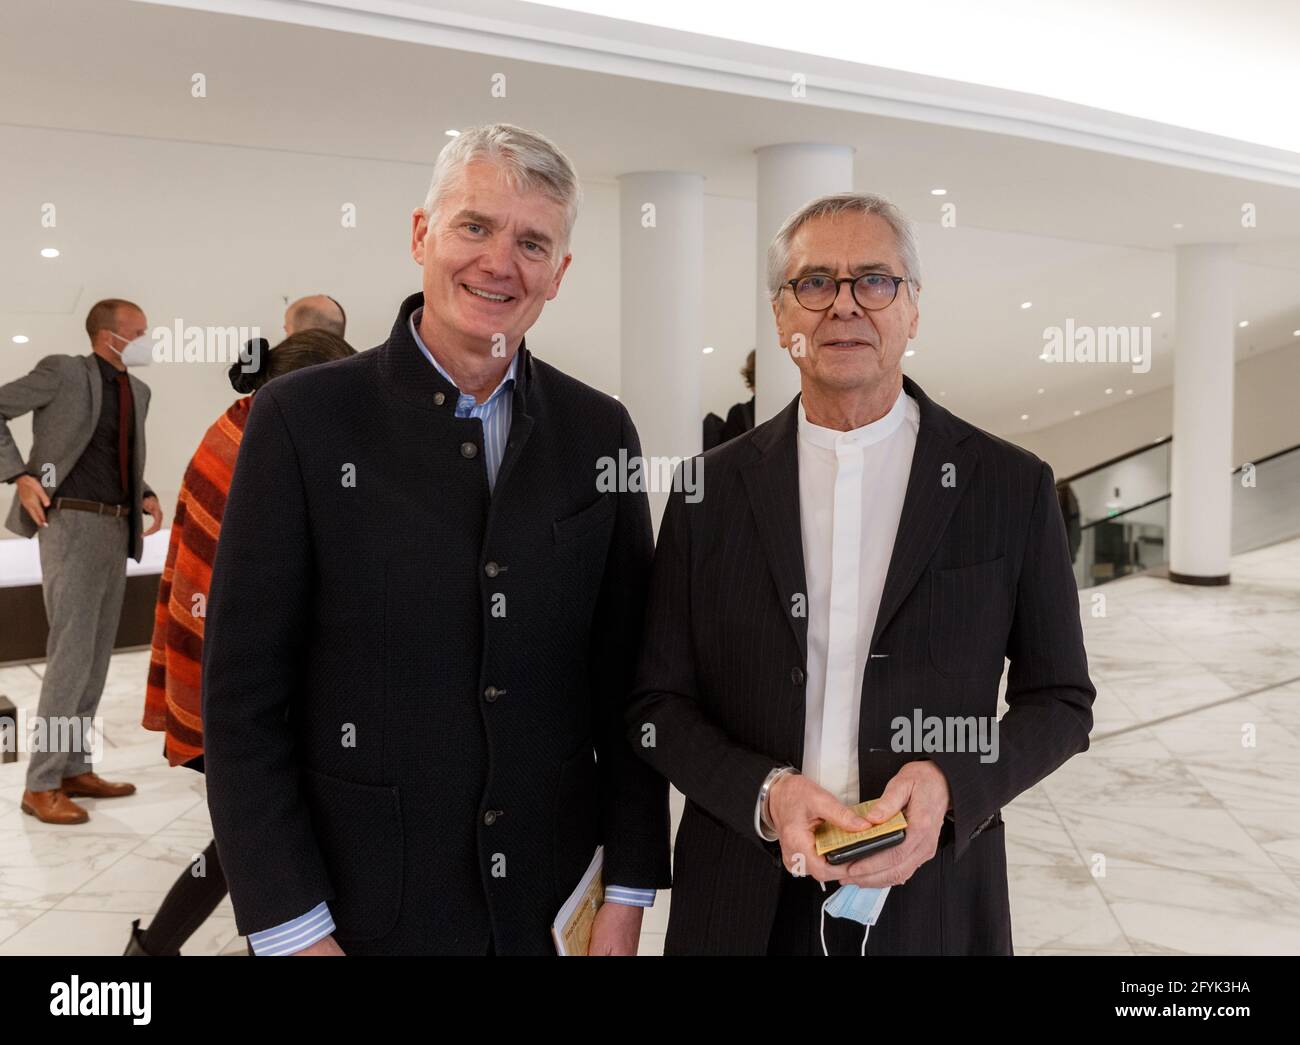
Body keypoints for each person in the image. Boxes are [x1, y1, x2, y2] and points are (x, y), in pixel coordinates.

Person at [202, 124, 670, 956]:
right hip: (358, 911)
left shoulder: (602, 432)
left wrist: (628, 892)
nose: (501, 262)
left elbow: (627, 681)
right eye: (475, 226)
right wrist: (289, 927)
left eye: (533, 242)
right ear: (422, 233)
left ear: (558, 274)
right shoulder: (300, 421)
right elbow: (243, 703)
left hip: (551, 906)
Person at [628, 193, 1095, 955]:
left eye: (874, 281)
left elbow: (1063, 701)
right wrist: (766, 792)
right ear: (782, 320)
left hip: (934, 900)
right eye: (815, 283)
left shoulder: (1008, 486)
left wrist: (951, 787)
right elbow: (656, 703)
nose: (844, 305)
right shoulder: (704, 493)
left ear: (912, 309)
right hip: (741, 903)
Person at [123, 330, 356, 956]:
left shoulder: (240, 425)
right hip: (239, 695)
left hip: (229, 685)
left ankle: (151, 951)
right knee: (263, 845)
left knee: (251, 843)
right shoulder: (257, 449)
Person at [1, 299, 164, 825]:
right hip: (69, 523)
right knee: (71, 657)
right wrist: (18, 476)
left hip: (116, 526)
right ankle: (40, 783)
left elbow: (112, 455)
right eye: (138, 333)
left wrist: (143, 491)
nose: (146, 340)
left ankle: (74, 768)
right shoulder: (63, 371)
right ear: (108, 335)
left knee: (94, 658)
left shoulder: (137, 391)